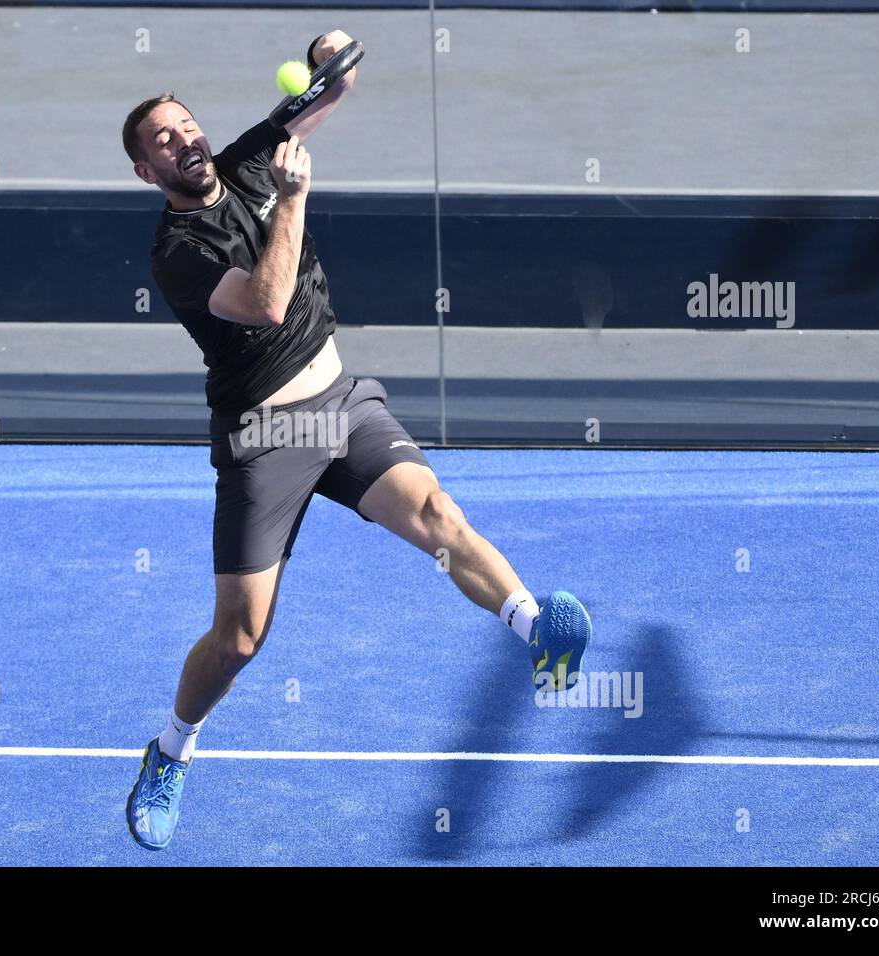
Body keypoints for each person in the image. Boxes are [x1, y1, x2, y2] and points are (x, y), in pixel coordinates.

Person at [119, 30, 591, 850]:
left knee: (438, 514)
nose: (182, 139)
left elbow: (329, 88)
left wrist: (334, 52)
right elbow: (266, 304)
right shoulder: (178, 253)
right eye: (163, 140)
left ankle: (536, 630)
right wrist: (295, 201)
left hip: (338, 403)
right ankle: (170, 749)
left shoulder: (248, 158)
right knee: (240, 636)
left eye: (185, 125)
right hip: (263, 435)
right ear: (146, 173)